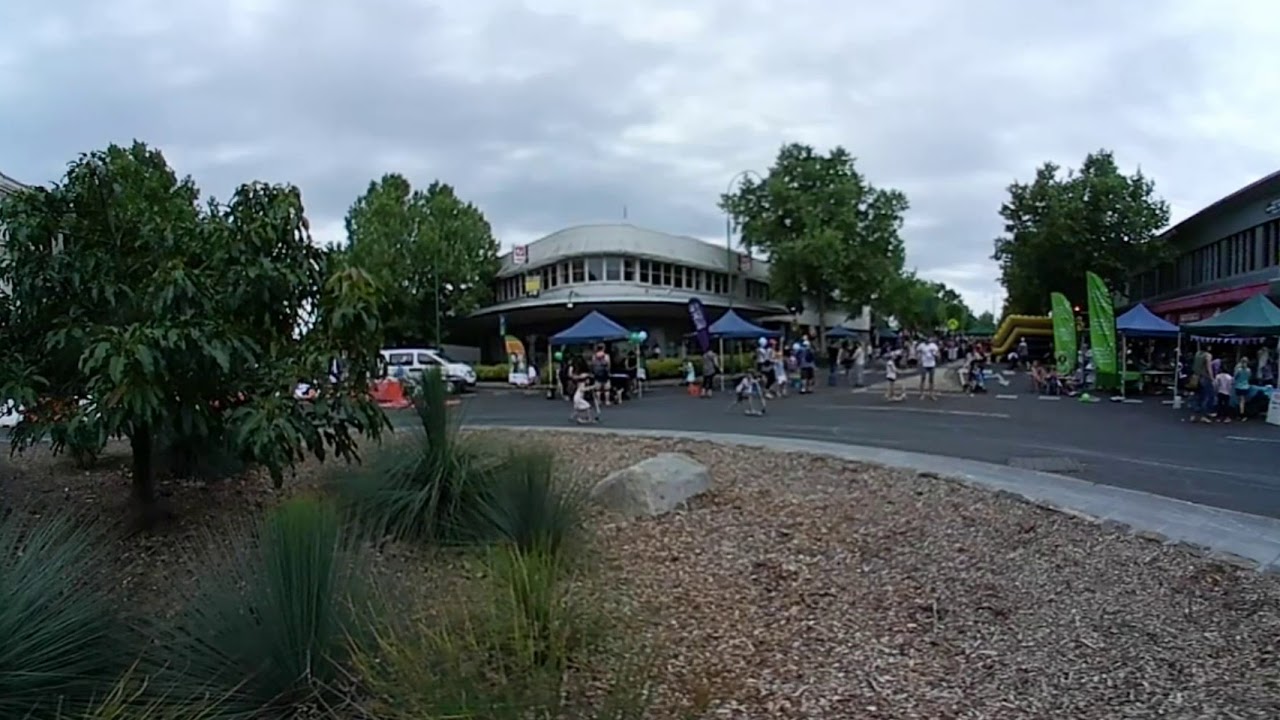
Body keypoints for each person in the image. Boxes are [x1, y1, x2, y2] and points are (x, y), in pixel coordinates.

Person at [1189, 346, 1215, 423]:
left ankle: (1194, 415)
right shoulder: (1208, 355)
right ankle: (1204, 415)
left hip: (1196, 377)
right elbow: (1208, 367)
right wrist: (1212, 377)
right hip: (1204, 377)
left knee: (1197, 396)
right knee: (1208, 397)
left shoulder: (1197, 353)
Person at [917, 335, 940, 400]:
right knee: (923, 379)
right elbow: (918, 352)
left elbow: (938, 354)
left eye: (929, 338)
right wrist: (919, 360)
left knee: (931, 380)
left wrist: (936, 355)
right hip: (924, 364)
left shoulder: (934, 346)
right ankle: (922, 394)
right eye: (927, 338)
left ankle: (931, 394)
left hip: (932, 364)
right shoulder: (921, 345)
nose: (928, 340)